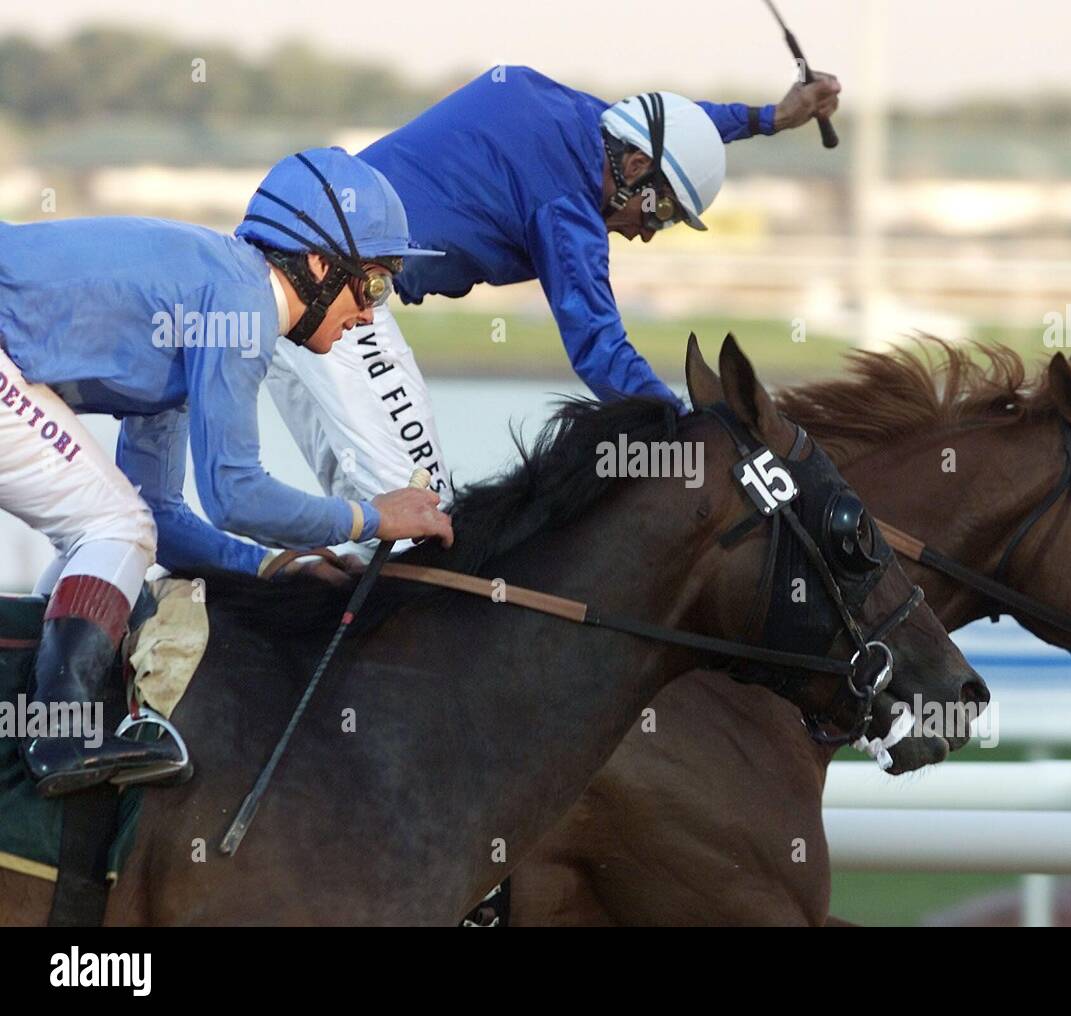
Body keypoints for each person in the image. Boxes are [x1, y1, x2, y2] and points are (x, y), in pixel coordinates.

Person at [0, 147, 452, 796]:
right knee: (112, 526)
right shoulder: (244, 307)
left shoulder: (214, 295)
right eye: (374, 283)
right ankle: (58, 736)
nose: (372, 313)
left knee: (119, 526)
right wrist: (373, 516)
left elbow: (161, 509)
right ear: (320, 264)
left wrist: (272, 566)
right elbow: (236, 494)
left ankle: (36, 704)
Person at [265, 65, 841, 510]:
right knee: (422, 516)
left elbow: (674, 123)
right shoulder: (567, 209)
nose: (647, 233)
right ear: (636, 167)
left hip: (283, 281)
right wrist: (695, 431)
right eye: (661, 211)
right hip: (337, 300)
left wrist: (768, 117)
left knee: (376, 526)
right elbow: (600, 351)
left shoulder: (580, 117)